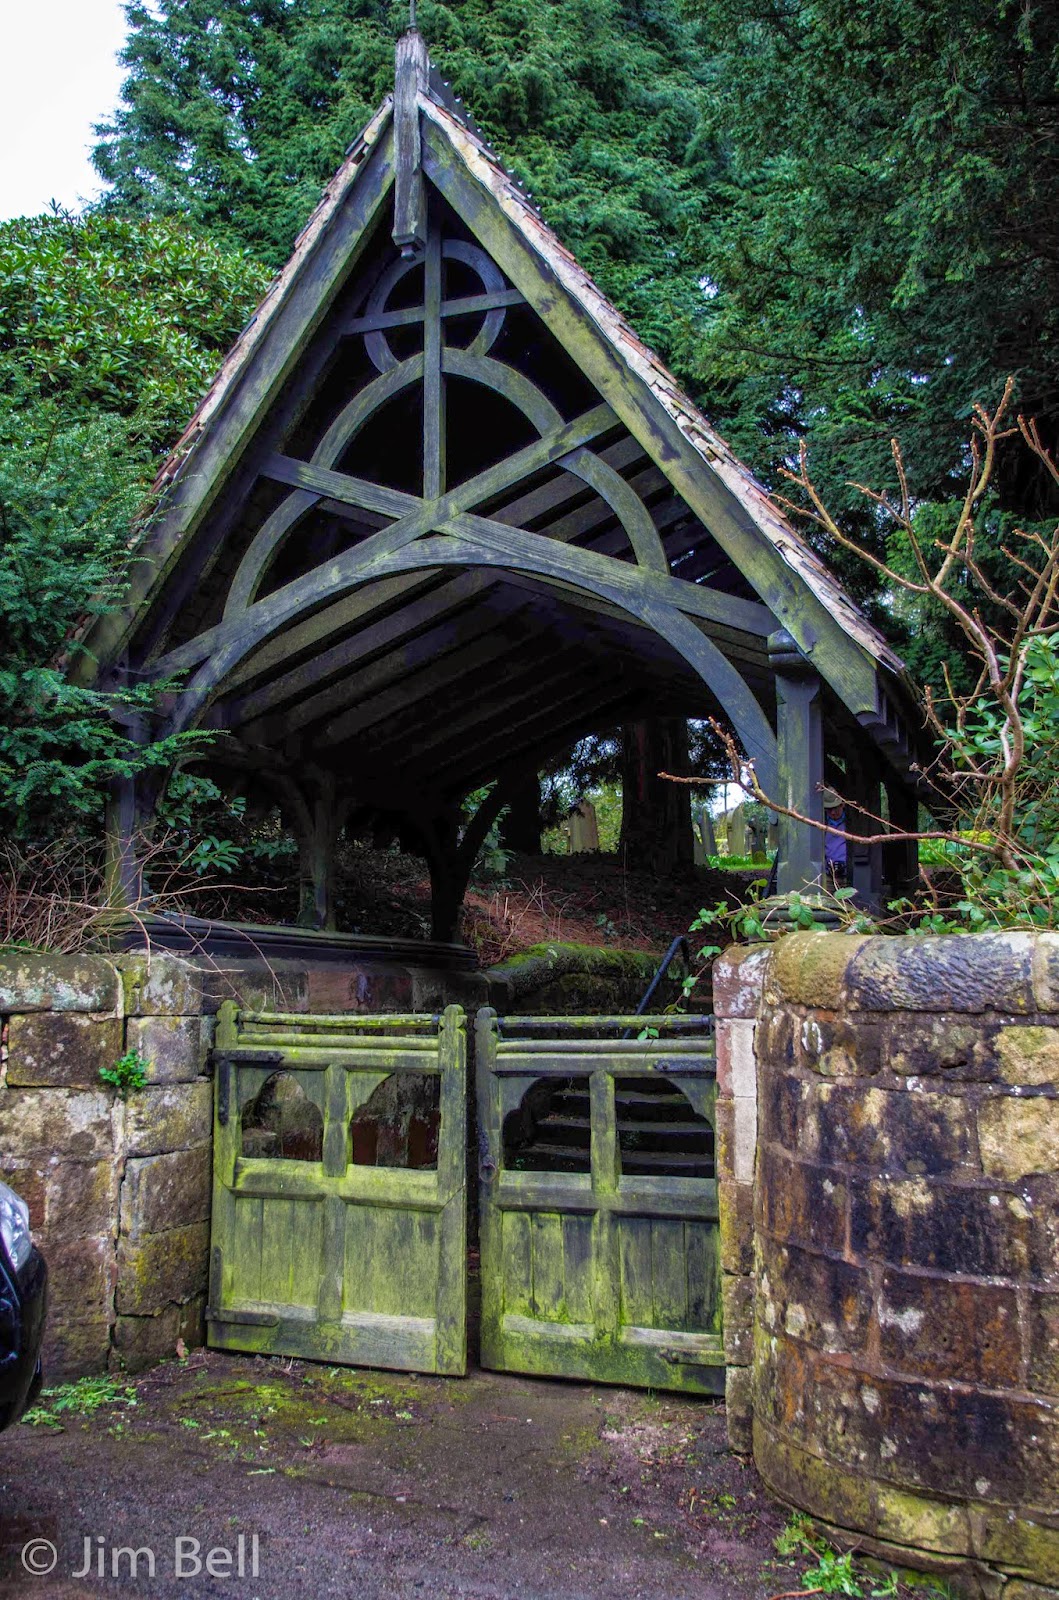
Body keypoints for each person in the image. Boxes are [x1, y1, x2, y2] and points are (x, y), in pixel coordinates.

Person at [822, 787, 847, 885]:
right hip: (828, 876)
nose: (833, 812)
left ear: (842, 805)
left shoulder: (853, 822)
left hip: (849, 875)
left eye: (835, 808)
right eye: (829, 809)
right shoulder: (821, 822)